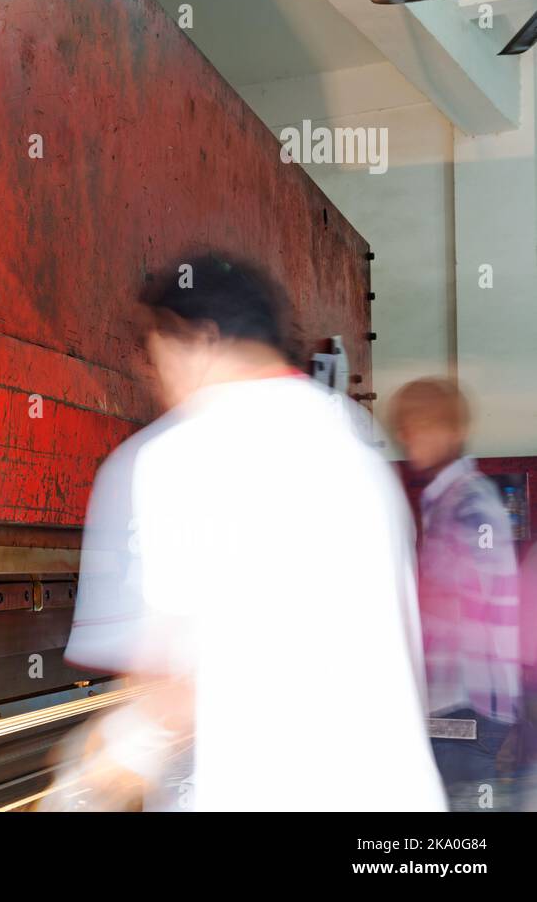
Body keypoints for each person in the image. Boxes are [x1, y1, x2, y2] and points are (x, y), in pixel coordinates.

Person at [58, 254, 445, 811]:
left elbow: (170, 693)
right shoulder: (355, 443)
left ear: (199, 339)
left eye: (156, 349)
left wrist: (96, 768)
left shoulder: (176, 457)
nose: (152, 372)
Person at [389, 378, 522, 811]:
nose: (408, 438)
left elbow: (451, 607)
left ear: (450, 429)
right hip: (461, 703)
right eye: (404, 427)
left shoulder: (469, 506)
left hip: (466, 704)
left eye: (419, 425)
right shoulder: (450, 501)